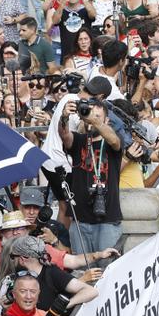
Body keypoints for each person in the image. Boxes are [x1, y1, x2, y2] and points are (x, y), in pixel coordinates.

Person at [58, 94, 146, 252]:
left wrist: (93, 119)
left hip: (107, 221)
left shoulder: (114, 140)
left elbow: (114, 141)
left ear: (106, 121)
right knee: (82, 272)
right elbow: (65, 135)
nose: (92, 119)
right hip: (80, 221)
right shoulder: (79, 140)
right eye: (89, 114)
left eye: (98, 116)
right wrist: (64, 116)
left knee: (108, 271)